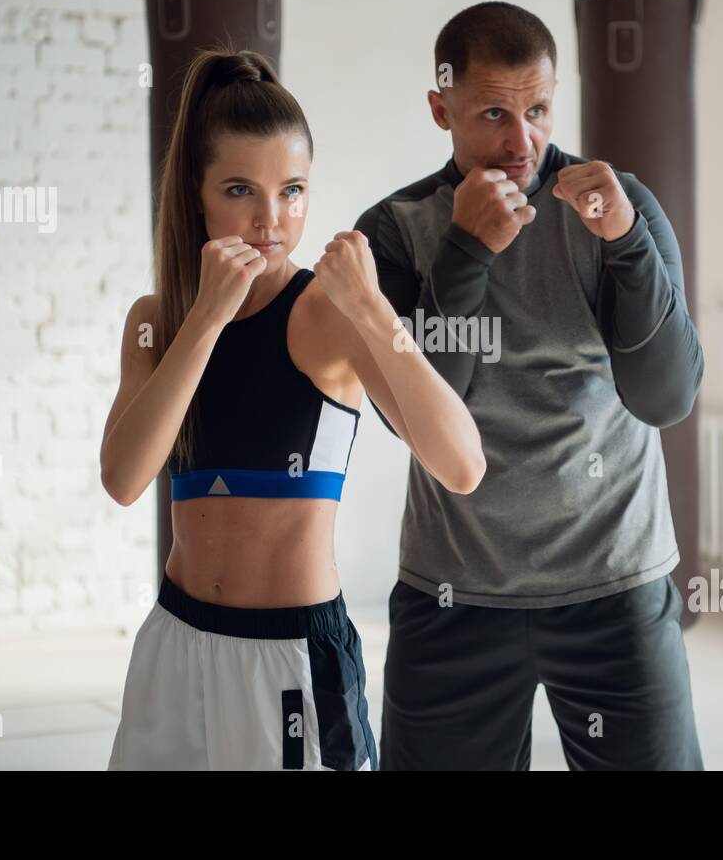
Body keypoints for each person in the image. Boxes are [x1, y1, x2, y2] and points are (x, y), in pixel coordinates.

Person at [100, 47, 485, 770]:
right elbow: (123, 479)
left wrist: (374, 310)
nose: (270, 220)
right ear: (197, 192)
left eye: (294, 190)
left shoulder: (327, 314)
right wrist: (206, 322)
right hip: (176, 640)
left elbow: (463, 464)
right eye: (241, 190)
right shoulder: (157, 320)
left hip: (292, 657)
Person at [355, 2, 706, 770]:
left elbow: (666, 397)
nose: (523, 142)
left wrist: (627, 246)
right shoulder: (395, 230)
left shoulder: (620, 207)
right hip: (455, 593)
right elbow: (418, 420)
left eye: (539, 110)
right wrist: (465, 252)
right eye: (493, 114)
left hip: (614, 583)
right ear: (440, 108)